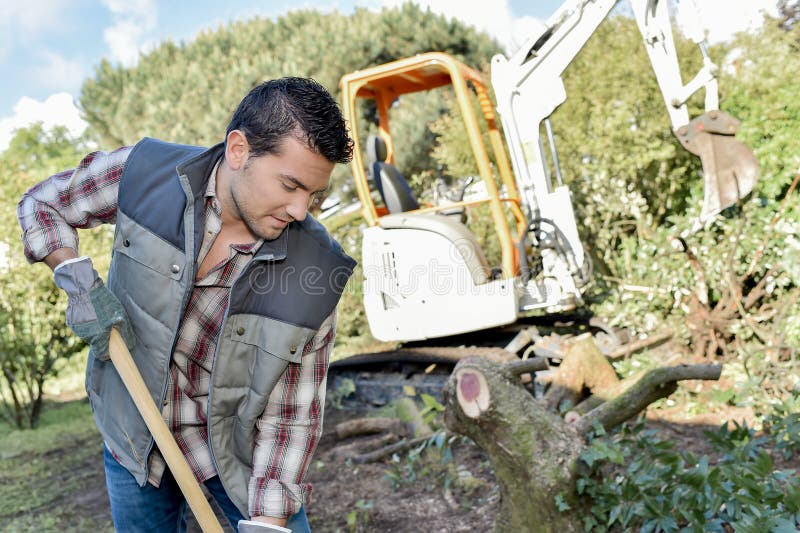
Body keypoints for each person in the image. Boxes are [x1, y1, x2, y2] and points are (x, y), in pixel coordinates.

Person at [18, 77, 356, 532]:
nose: (300, 209)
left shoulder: (318, 269)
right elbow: (43, 204)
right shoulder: (146, 174)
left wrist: (270, 519)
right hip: (133, 431)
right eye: (290, 185)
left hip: (234, 450)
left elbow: (292, 415)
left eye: (313, 195)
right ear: (238, 150)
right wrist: (80, 286)